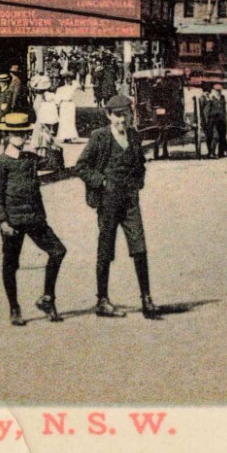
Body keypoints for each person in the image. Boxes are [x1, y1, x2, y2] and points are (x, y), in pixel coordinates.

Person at [76, 94, 159, 320]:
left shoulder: (134, 136)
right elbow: (81, 166)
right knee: (106, 249)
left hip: (130, 200)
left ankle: (146, 298)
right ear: (108, 115)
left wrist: (138, 182)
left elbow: (139, 162)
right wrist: (102, 182)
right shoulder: (99, 137)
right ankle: (102, 300)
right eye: (117, 115)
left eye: (126, 115)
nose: (122, 120)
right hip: (108, 201)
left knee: (139, 246)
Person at [0, 111, 67, 326]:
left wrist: (51, 141)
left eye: (24, 133)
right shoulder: (1, 164)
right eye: (16, 134)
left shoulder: (30, 159)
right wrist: (3, 222)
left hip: (35, 219)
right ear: (6, 135)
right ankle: (14, 308)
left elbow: (56, 165)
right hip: (13, 222)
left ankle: (47, 298)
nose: (21, 137)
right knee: (10, 264)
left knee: (58, 251)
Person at [201, 82, 227, 158]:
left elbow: (224, 109)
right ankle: (212, 152)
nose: (219, 92)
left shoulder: (222, 97)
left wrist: (225, 118)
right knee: (215, 136)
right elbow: (206, 110)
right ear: (213, 90)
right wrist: (206, 120)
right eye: (217, 90)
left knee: (222, 136)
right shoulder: (210, 98)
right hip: (213, 120)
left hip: (221, 119)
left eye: (220, 90)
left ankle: (222, 152)